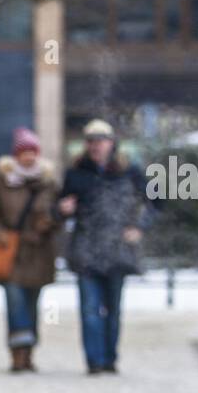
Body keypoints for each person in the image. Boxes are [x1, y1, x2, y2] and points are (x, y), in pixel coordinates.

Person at [57, 119, 150, 375]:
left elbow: (155, 202)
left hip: (117, 251)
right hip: (86, 251)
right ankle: (94, 361)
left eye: (100, 140)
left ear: (111, 143)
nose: (96, 146)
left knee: (113, 311)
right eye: (91, 141)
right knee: (89, 311)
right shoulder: (75, 174)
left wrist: (139, 226)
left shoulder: (130, 171)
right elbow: (60, 209)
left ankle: (110, 358)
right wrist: (63, 210)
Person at [0, 126, 60, 372]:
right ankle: (17, 353)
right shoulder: (0, 180)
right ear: (16, 155)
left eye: (32, 151)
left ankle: (30, 350)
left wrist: (49, 222)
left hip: (38, 253)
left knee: (32, 303)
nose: (28, 156)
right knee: (15, 301)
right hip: (10, 251)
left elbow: (58, 214)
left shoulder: (49, 183)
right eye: (24, 152)